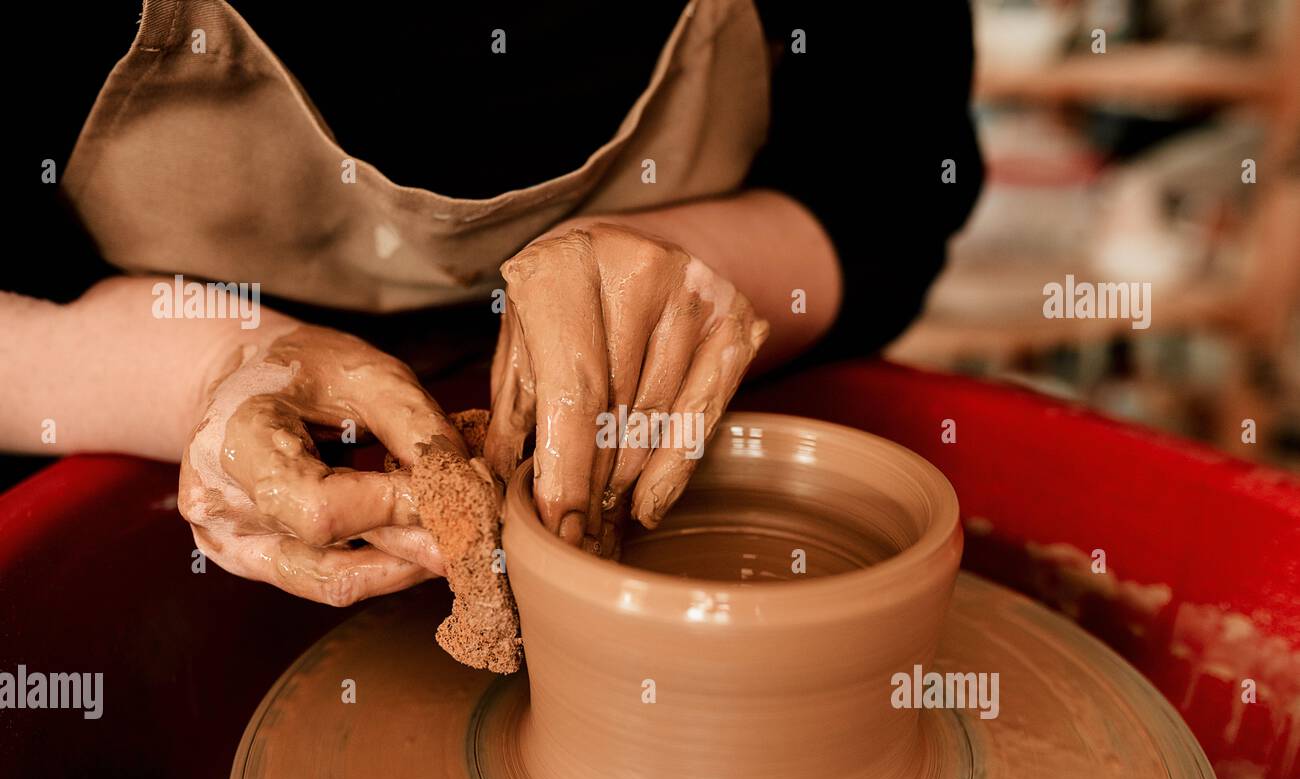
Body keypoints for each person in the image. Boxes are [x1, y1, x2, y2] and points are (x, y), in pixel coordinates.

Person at [0, 1, 982, 604]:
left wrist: (686, 264)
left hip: (660, 469)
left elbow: (894, 186)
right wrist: (205, 376)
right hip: (140, 469)